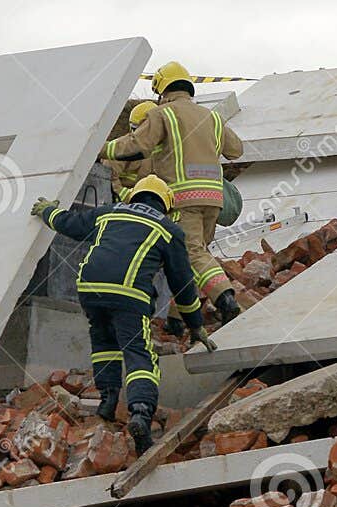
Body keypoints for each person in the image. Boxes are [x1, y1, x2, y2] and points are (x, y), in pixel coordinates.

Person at [31, 175, 213, 454]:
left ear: (134, 196)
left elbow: (71, 224)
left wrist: (46, 210)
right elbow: (183, 283)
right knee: (138, 352)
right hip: (129, 294)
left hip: (90, 289)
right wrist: (196, 325)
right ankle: (140, 413)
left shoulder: (109, 213)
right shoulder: (168, 230)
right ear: (166, 205)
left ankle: (107, 399)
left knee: (104, 343)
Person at [100, 60, 244, 324]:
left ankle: (226, 298)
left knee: (191, 253)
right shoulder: (211, 117)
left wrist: (102, 149)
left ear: (162, 90)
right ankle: (180, 319)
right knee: (191, 256)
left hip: (182, 198)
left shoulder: (161, 114)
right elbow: (236, 150)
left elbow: (138, 144)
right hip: (213, 199)